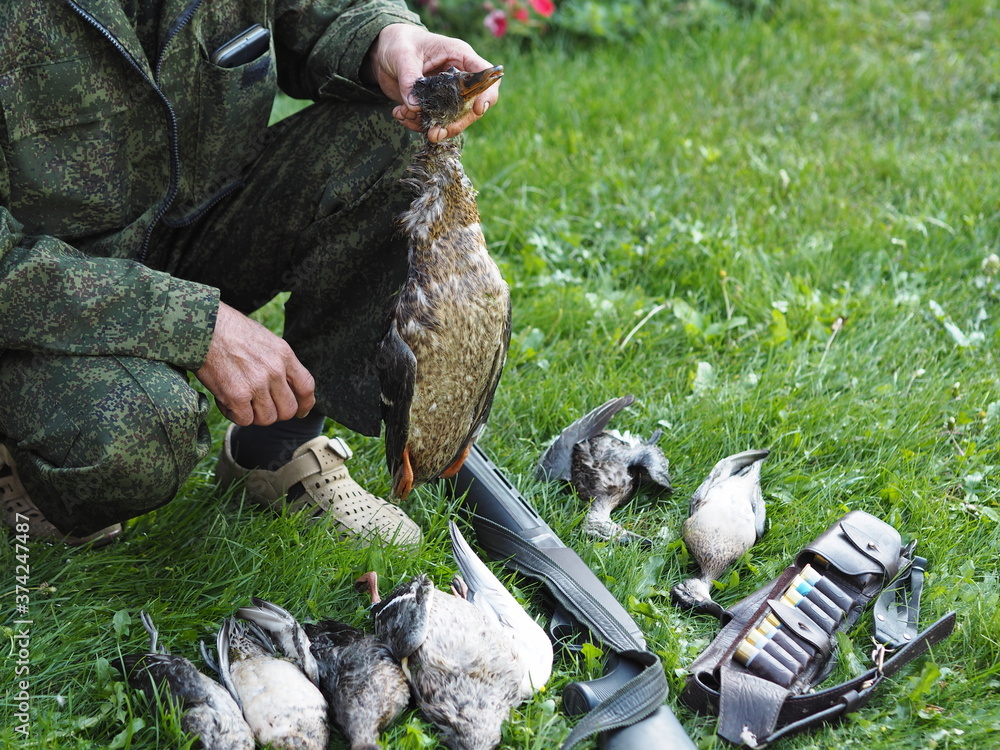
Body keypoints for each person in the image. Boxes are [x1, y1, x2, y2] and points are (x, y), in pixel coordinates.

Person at [0, 1, 501, 549]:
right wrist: (194, 324)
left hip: (188, 223)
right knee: (134, 441)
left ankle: (278, 447)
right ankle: (17, 447)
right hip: (33, 291)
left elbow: (320, 10)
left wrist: (388, 39)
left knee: (393, 135)